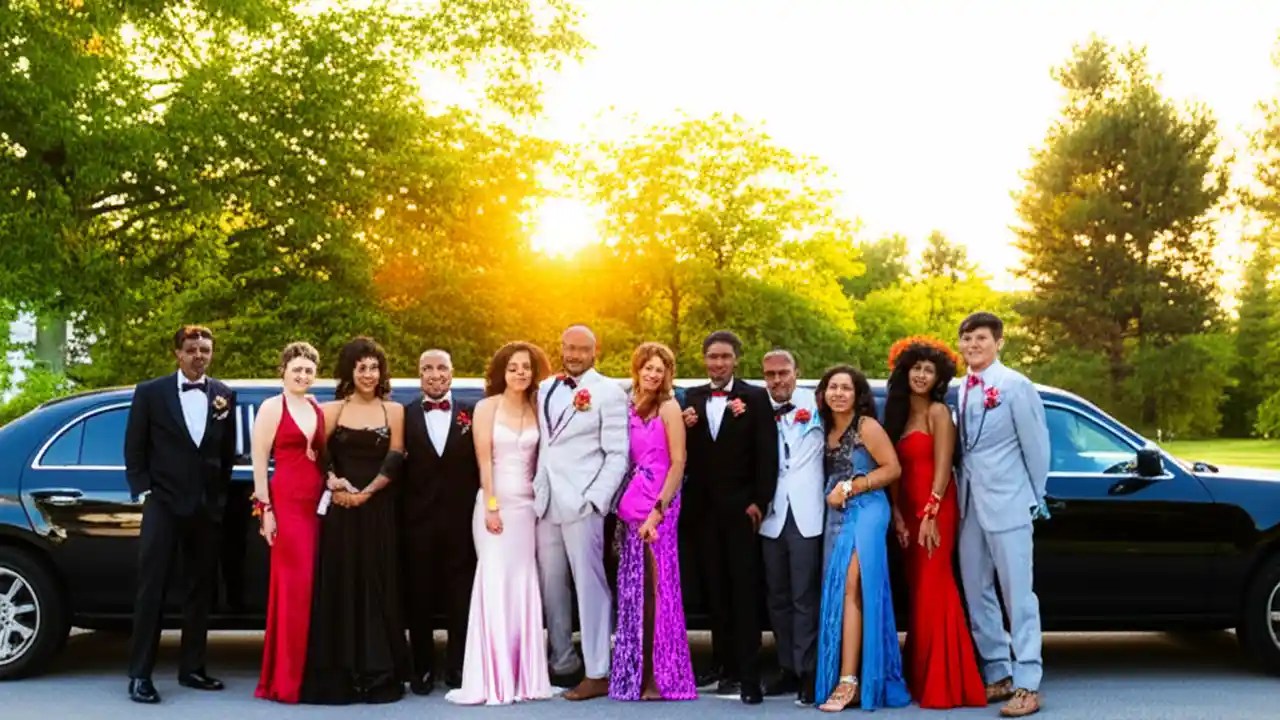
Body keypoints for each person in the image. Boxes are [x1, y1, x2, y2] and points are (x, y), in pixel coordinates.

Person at [123, 325, 237, 704]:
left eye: (205, 349)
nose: (199, 355)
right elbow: (134, 448)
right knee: (151, 590)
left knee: (199, 592)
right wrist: (146, 490)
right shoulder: (151, 393)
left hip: (205, 509)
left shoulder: (224, 395)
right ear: (177, 353)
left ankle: (192, 669)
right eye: (192, 349)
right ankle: (140, 675)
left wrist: (217, 499)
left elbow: (225, 454)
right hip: (164, 506)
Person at [300, 337, 410, 704]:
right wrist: (334, 483)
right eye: (361, 367)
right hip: (340, 512)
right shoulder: (331, 409)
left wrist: (368, 492)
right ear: (350, 371)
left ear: (382, 372)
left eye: (374, 367)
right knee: (341, 584)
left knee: (378, 585)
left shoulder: (394, 411)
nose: (368, 374)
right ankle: (339, 671)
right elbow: (319, 454)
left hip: (377, 510)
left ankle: (378, 671)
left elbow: (395, 458)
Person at [447, 342, 555, 706]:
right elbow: (484, 461)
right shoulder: (486, 407)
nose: (520, 372)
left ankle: (524, 677)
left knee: (524, 583)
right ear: (501, 371)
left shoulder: (539, 407)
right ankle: (493, 679)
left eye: (526, 367)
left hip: (529, 509)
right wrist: (492, 505)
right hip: (496, 506)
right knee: (494, 581)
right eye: (513, 367)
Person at [954, 312, 1050, 718]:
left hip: (1009, 502)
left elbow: (1037, 446)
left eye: (980, 338)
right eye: (966, 338)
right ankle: (999, 671)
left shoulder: (1015, 386)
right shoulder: (960, 388)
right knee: (977, 591)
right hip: (968, 503)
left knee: (1018, 595)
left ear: (998, 343)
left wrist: (1035, 496)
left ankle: (1028, 683)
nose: (972, 345)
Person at [881, 336, 986, 709]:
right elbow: (892, 471)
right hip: (906, 511)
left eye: (930, 370)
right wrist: (897, 514)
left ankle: (946, 682)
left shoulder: (938, 413)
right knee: (918, 591)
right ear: (905, 371)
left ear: (939, 378)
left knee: (935, 587)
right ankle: (922, 675)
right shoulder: (895, 416)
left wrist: (930, 513)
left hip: (936, 508)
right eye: (917, 368)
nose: (922, 375)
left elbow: (944, 467)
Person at [680, 330, 777, 704]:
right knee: (714, 589)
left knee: (744, 589)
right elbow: (685, 452)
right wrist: (687, 427)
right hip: (703, 512)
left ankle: (746, 667)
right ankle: (721, 665)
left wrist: (760, 502)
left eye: (724, 357)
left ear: (736, 359)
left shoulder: (754, 397)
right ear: (704, 360)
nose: (717, 363)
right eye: (711, 357)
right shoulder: (693, 397)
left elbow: (767, 456)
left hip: (742, 511)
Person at [532, 325, 629, 700]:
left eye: (582, 349)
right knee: (551, 584)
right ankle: (562, 662)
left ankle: (597, 670)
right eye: (568, 348)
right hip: (546, 501)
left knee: (591, 586)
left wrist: (595, 499)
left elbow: (617, 453)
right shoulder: (546, 388)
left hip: (583, 503)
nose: (573, 354)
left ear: (595, 351)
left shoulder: (609, 392)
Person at [813, 365, 911, 712]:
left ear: (858, 395)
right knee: (839, 590)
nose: (839, 393)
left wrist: (852, 487)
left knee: (854, 585)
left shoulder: (866, 426)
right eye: (833, 387)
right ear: (824, 393)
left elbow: (892, 468)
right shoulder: (821, 426)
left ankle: (849, 681)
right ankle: (849, 674)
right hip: (835, 514)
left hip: (867, 508)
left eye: (846, 388)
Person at [609, 342, 697, 702]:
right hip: (632, 503)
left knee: (658, 590)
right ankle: (633, 675)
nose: (653, 374)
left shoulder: (670, 408)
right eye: (648, 367)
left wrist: (658, 511)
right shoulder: (626, 406)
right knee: (634, 590)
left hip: (661, 503)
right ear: (637, 369)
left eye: (660, 369)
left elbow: (678, 462)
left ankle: (660, 678)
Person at [400, 349, 478, 694]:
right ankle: (422, 668)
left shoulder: (472, 413)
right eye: (427, 368)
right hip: (417, 523)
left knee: (461, 597)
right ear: (419, 375)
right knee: (418, 598)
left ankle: (457, 666)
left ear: (452, 371)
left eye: (441, 367)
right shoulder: (404, 415)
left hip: (461, 521)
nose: (434, 374)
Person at [252, 342, 327, 703]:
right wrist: (265, 510)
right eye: (296, 369)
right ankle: (284, 679)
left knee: (313, 589)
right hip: (287, 504)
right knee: (293, 590)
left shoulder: (315, 406)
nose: (302, 375)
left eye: (309, 370)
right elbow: (259, 461)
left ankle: (309, 673)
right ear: (283, 370)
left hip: (317, 505)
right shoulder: (271, 407)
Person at [758, 349, 824, 706]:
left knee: (804, 596)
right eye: (770, 374)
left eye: (783, 372)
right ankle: (786, 667)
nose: (777, 380)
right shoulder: (753, 405)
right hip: (770, 515)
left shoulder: (818, 403)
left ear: (797, 372)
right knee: (778, 597)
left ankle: (808, 671)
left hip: (808, 513)